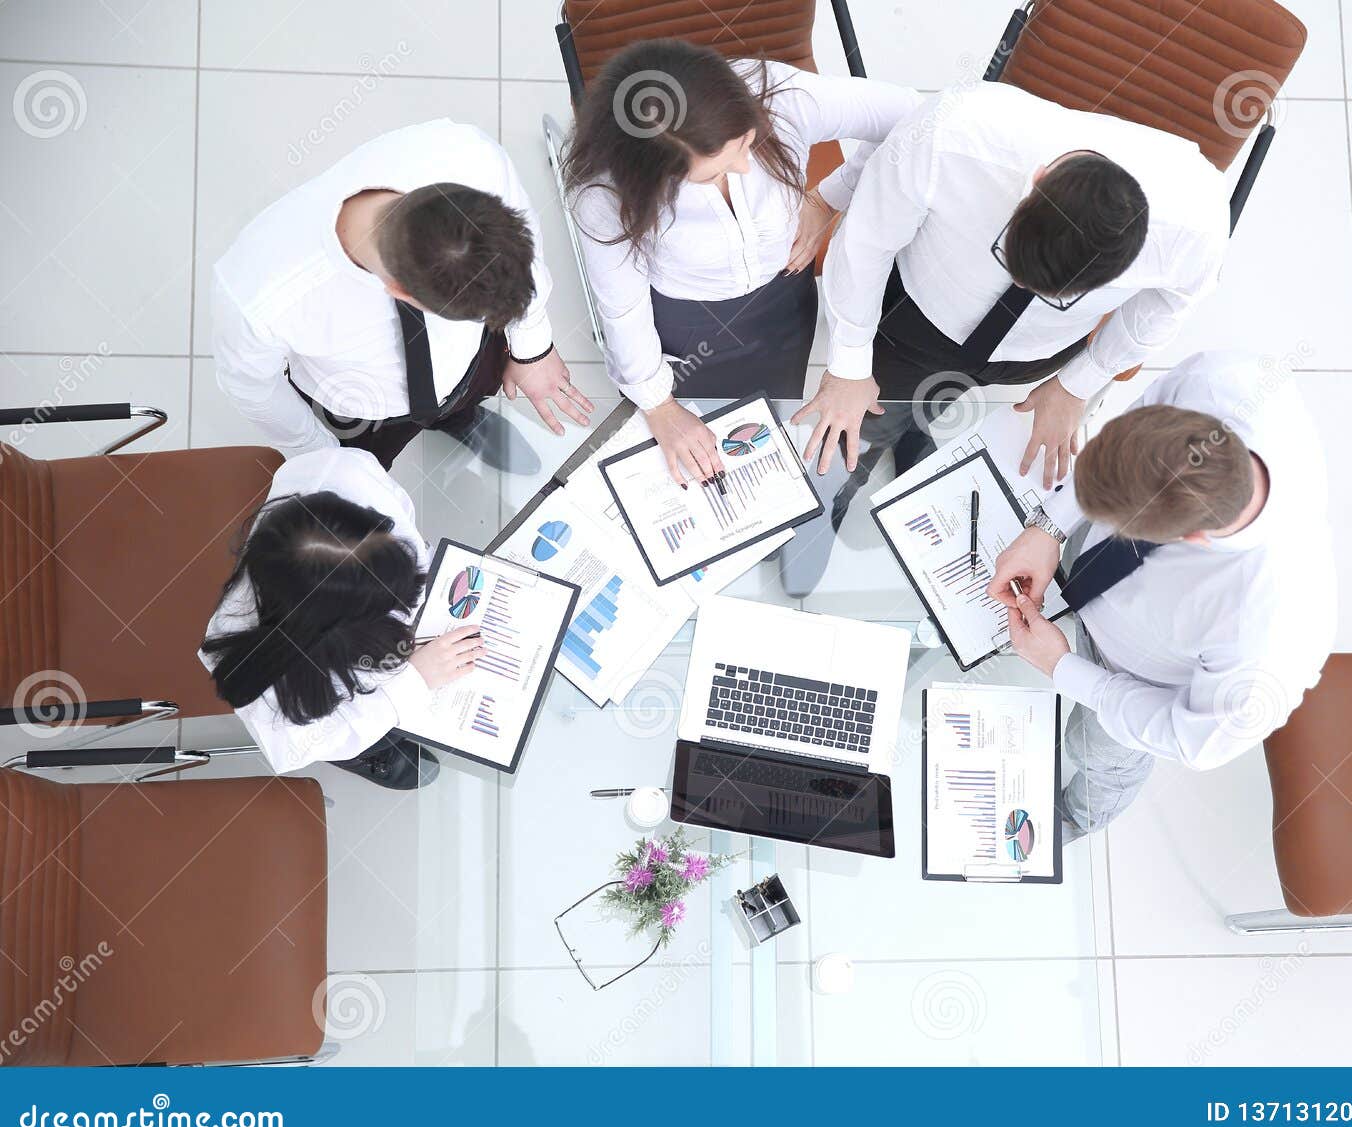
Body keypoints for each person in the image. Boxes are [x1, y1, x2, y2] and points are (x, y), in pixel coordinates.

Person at [794, 80, 1231, 540]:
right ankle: (831, 500)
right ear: (1037, 179)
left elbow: (1167, 306)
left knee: (936, 404)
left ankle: (916, 429)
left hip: (1032, 353)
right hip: (915, 318)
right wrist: (848, 366)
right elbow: (866, 241)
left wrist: (1076, 384)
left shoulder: (1193, 225)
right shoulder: (953, 134)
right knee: (864, 423)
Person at [990, 350, 1337, 839]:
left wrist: (1063, 669)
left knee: (1094, 756)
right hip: (1090, 589)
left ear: (1187, 539)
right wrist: (1049, 529)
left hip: (1134, 678)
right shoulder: (1222, 380)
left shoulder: (1269, 628)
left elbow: (1196, 740)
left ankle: (1079, 819)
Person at [564, 38, 918, 486]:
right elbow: (623, 308)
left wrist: (830, 196)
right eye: (713, 174)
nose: (747, 168)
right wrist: (659, 406)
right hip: (688, 324)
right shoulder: (602, 193)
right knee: (688, 458)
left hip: (784, 296)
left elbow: (912, 116)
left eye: (747, 143)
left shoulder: (783, 96)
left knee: (767, 426)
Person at [213, 119, 593, 473]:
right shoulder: (262, 295)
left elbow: (523, 251)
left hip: (467, 364)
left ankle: (458, 417)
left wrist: (531, 349)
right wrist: (319, 451)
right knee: (368, 468)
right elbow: (251, 387)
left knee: (466, 393)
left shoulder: (468, 156)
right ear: (401, 293)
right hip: (364, 414)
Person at [201, 448, 484, 790]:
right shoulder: (265, 678)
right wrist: (413, 683)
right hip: (329, 696)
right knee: (363, 727)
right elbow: (298, 747)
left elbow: (402, 522)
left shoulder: (344, 474)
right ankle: (371, 751)